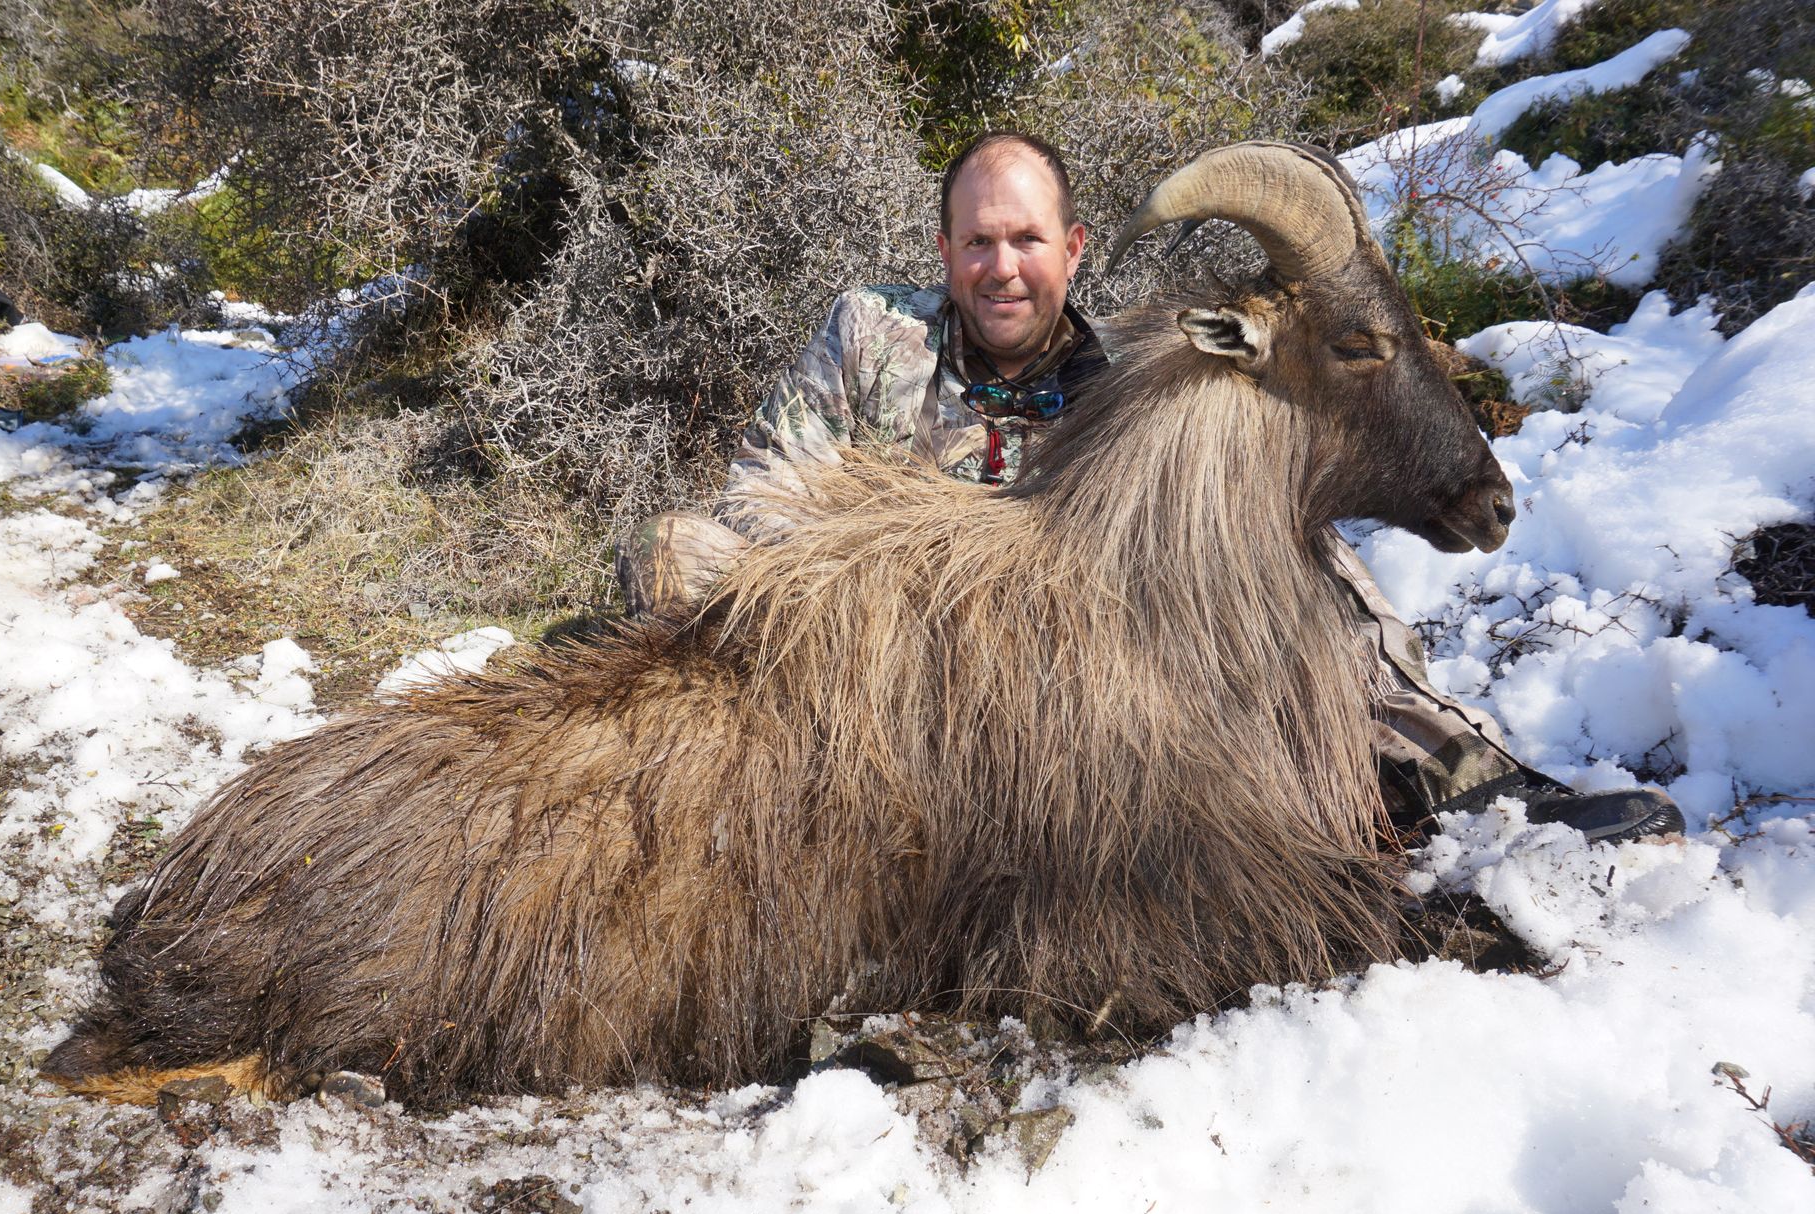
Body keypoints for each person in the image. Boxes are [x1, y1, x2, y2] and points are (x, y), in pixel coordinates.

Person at [618, 131, 1683, 845]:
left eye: (1026, 239)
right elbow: (761, 498)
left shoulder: (1133, 384)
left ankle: (1475, 787)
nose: (1002, 266)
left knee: (1306, 568)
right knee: (679, 552)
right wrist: (903, 560)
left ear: (1070, 251)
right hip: (878, 646)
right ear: (946, 252)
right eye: (979, 242)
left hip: (1070, 670)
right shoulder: (869, 333)